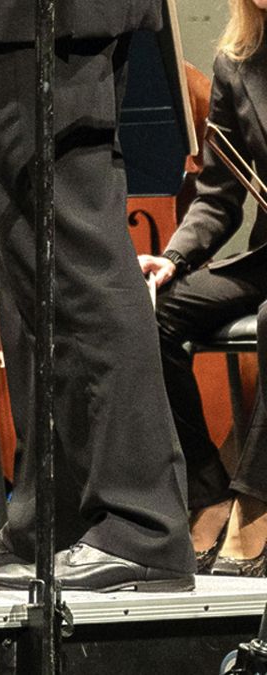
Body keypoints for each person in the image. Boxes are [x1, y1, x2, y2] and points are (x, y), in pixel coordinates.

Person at [0, 0, 196, 591]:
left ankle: (140, 523)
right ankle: (52, 520)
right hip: (33, 19)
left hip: (37, 17)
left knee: (76, 251)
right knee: (32, 261)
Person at [141, 0, 267, 578]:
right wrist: (172, 258)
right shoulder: (236, 62)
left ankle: (258, 506)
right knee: (153, 312)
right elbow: (218, 194)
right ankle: (208, 490)